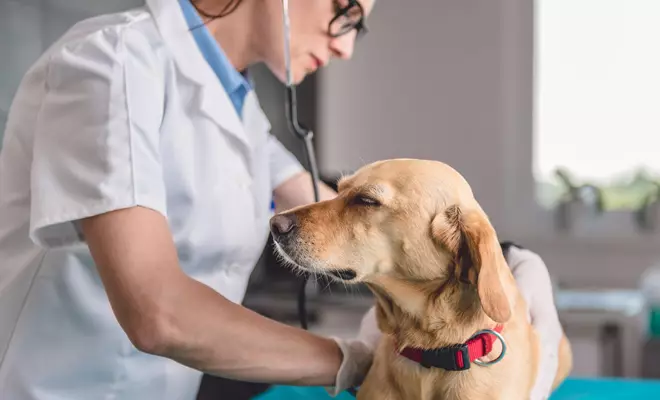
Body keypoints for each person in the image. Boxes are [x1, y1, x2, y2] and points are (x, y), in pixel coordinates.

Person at [0, 0, 563, 399]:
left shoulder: (241, 114)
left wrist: (507, 265)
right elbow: (157, 312)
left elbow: (362, 216)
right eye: (347, 14)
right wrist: (355, 361)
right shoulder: (112, 66)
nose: (344, 47)